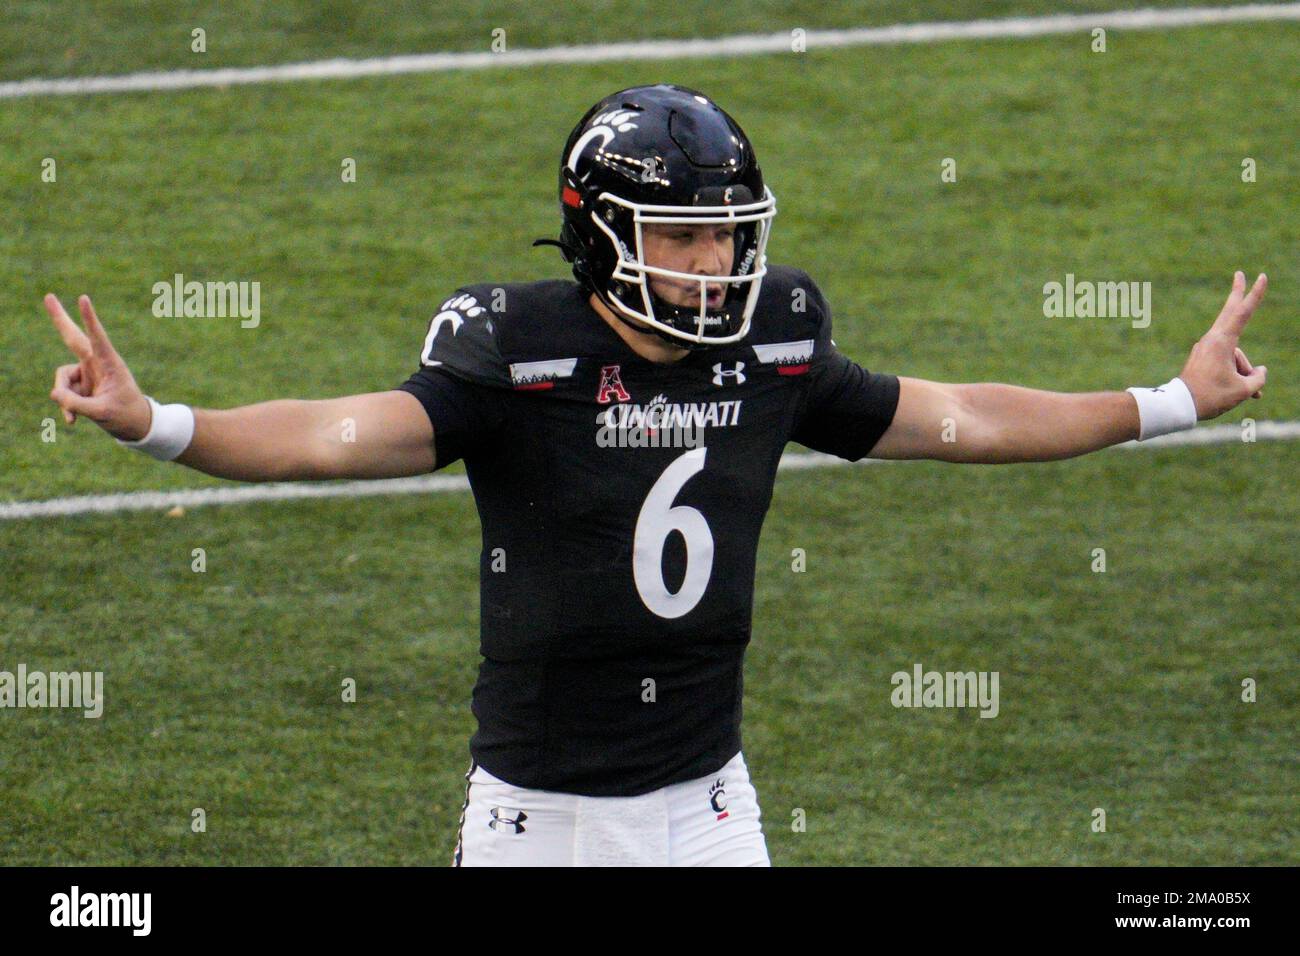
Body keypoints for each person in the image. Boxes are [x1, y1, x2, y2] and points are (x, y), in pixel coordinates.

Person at [45, 83, 1269, 867]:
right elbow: (337, 436)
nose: (715, 259)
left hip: (711, 810)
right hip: (539, 818)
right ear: (601, 233)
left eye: (728, 230)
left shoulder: (774, 335)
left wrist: (1166, 400)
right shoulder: (514, 344)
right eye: (681, 233)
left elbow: (957, 416)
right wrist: (161, 422)